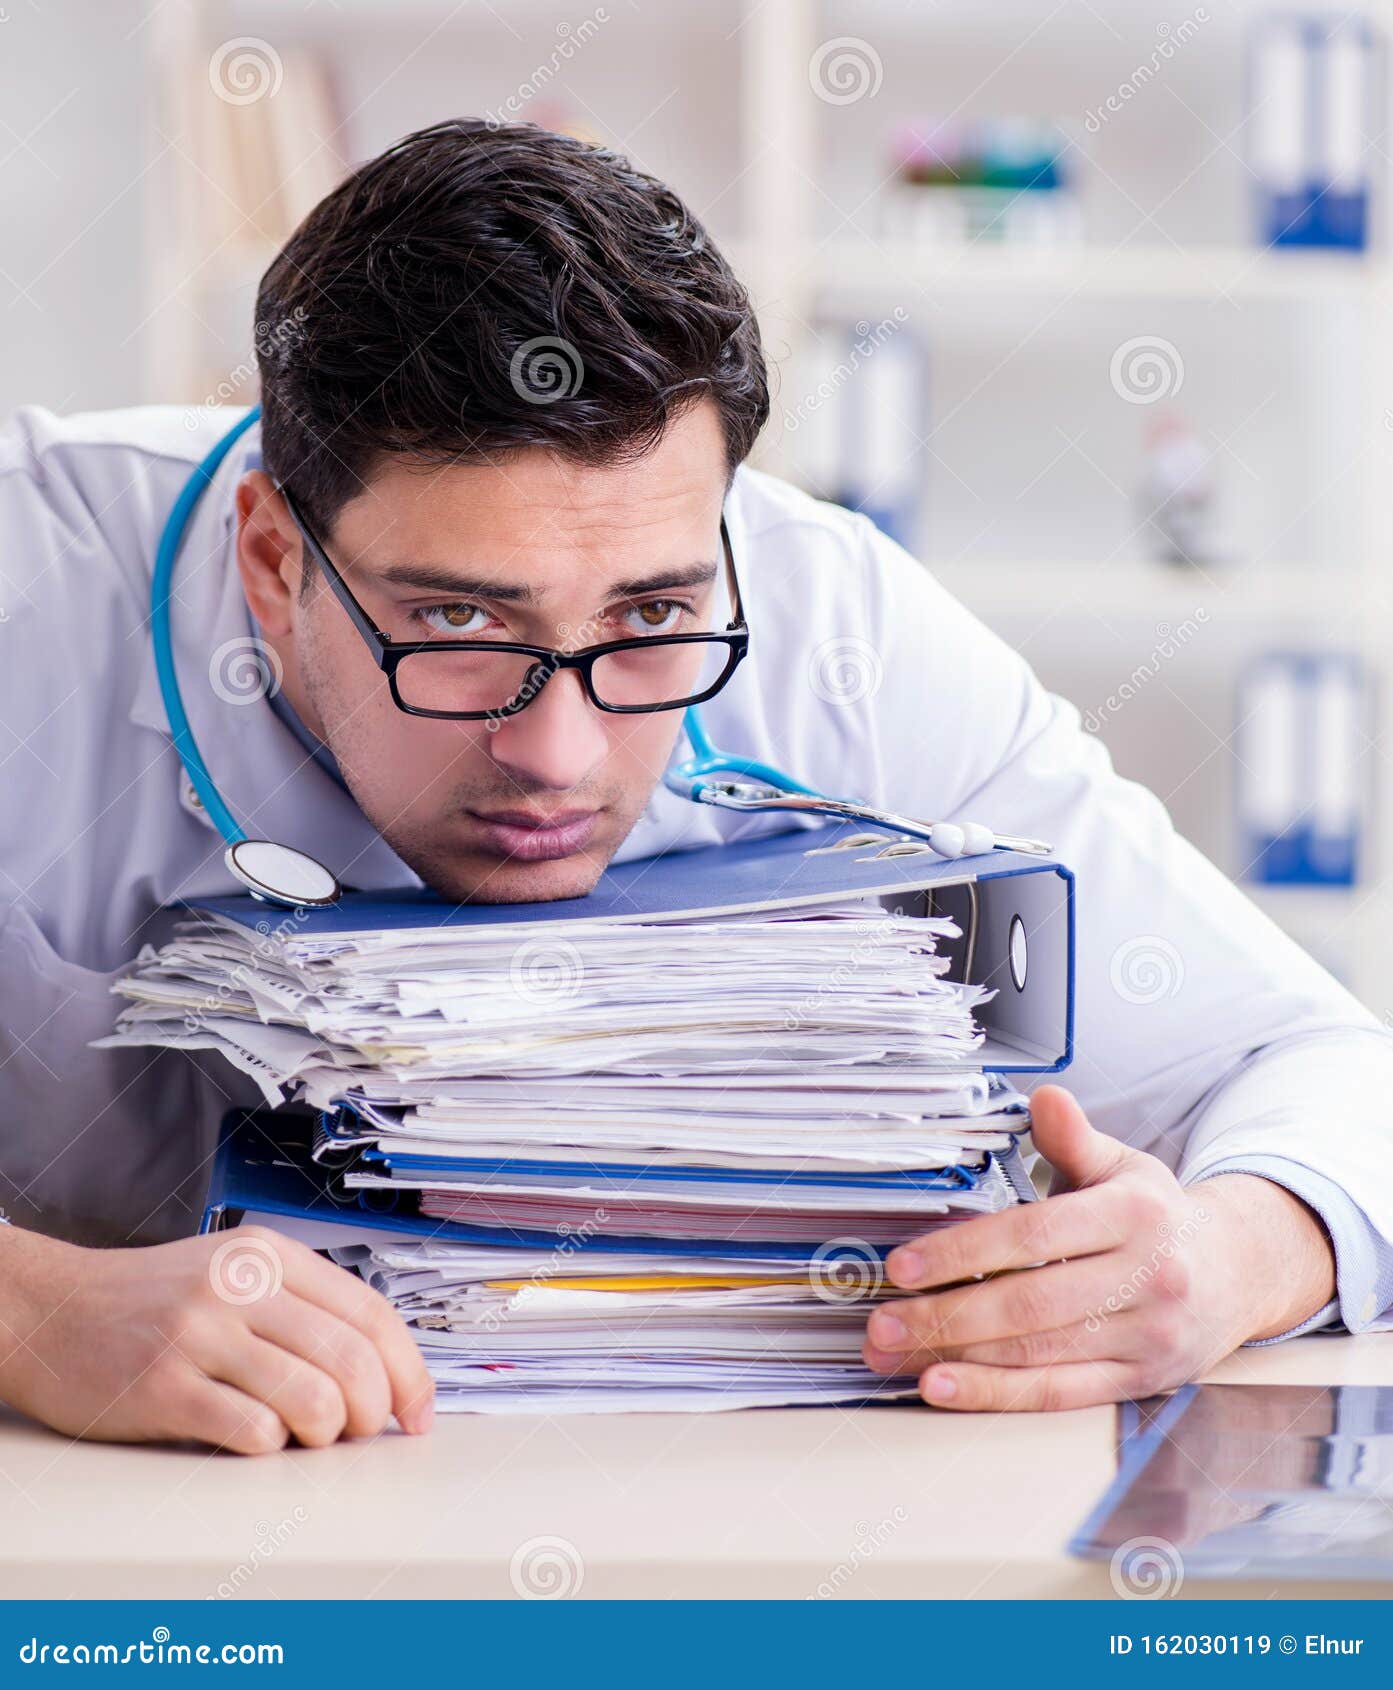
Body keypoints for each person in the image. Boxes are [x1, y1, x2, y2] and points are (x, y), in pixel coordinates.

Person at [0, 119, 1388, 1455]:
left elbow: (1323, 1070)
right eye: (462, 628)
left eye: (650, 619)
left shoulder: (832, 632)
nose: (559, 757)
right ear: (271, 557)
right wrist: (37, 1312)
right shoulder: (31, 581)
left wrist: (1228, 1254)